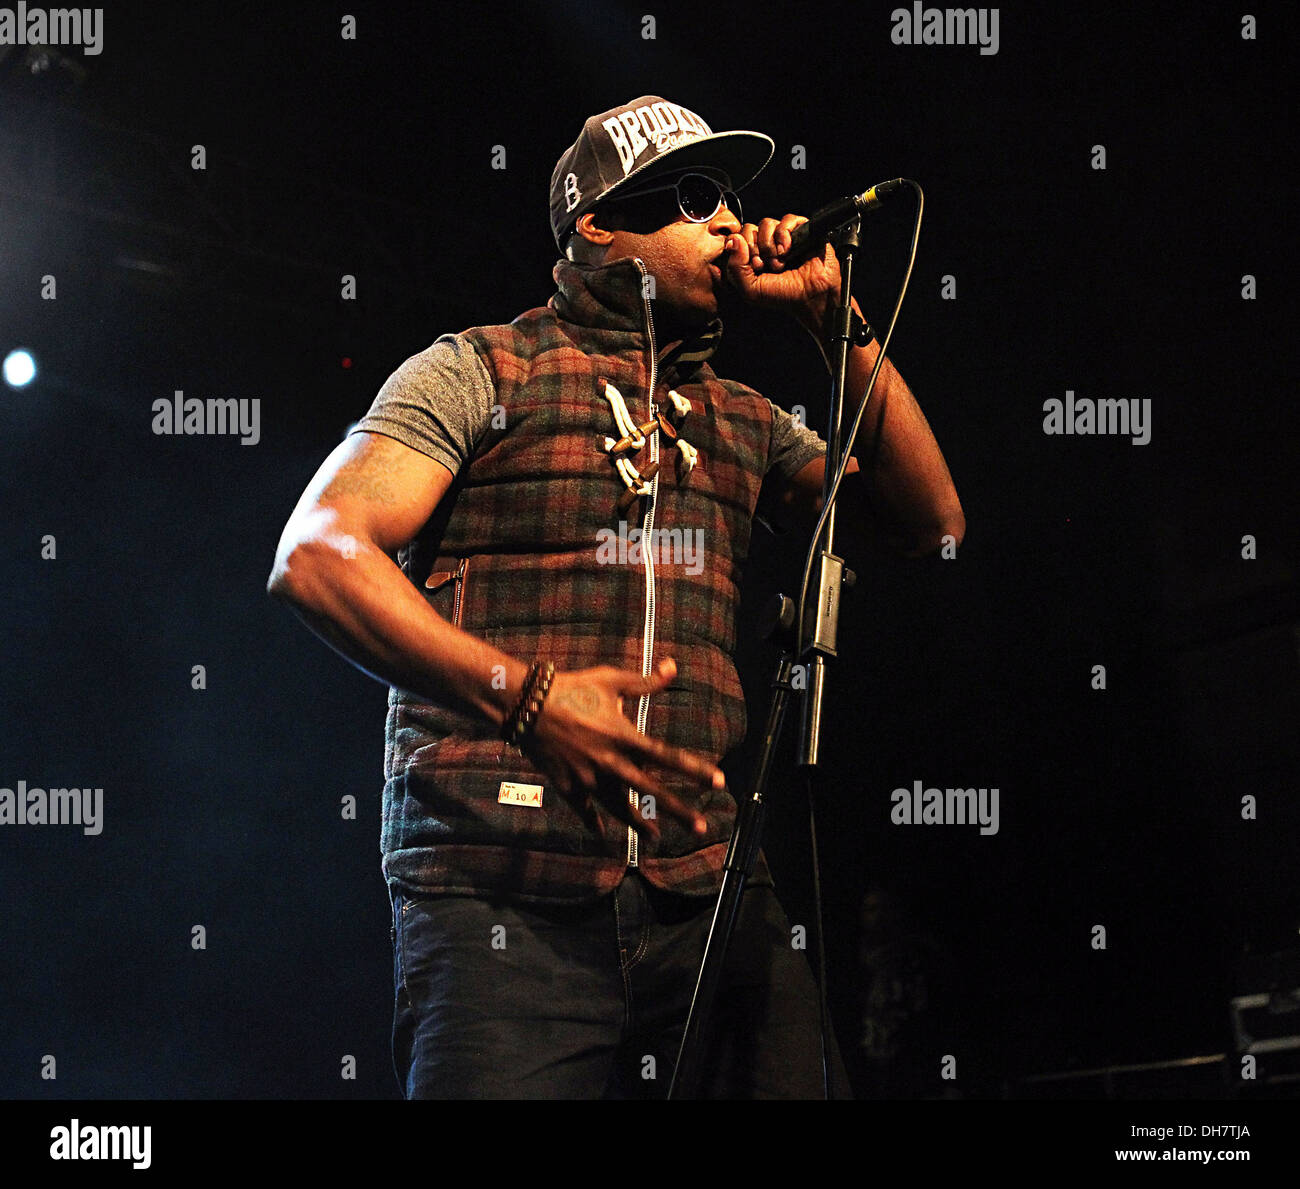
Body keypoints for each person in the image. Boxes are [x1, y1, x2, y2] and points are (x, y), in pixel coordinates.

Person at [267, 95, 964, 1099]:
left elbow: (928, 523)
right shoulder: (477, 369)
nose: (730, 223)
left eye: (732, 199)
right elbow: (319, 555)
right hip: (501, 889)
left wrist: (831, 320)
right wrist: (528, 696)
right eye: (692, 199)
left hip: (709, 892)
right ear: (597, 225)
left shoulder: (742, 417)